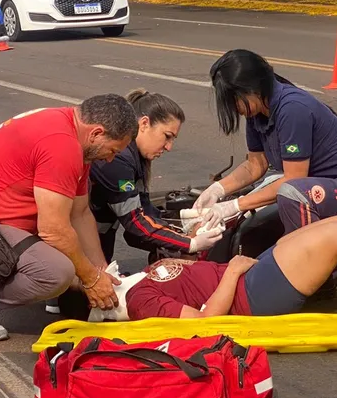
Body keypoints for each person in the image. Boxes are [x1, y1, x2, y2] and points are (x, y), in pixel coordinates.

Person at [0, 96, 138, 342]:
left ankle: (18, 279)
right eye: (113, 150)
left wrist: (103, 272)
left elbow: (80, 213)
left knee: (75, 267)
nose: (109, 159)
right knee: (55, 273)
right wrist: (91, 279)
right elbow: (54, 230)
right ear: (96, 132)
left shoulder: (73, 134)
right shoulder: (61, 145)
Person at [46, 89, 222, 314]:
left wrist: (184, 223)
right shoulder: (118, 159)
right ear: (145, 123)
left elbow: (144, 210)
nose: (169, 147)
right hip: (72, 236)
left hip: (91, 235)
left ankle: (65, 289)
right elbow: (137, 225)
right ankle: (61, 288)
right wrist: (190, 243)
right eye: (167, 136)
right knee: (101, 300)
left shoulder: (132, 157)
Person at [193, 49, 337, 235]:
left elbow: (293, 179)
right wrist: (217, 190)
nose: (234, 108)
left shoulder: (292, 108)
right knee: (275, 196)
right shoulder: (258, 111)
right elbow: (256, 164)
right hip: (325, 188)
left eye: (234, 100)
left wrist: (235, 205)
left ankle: (317, 266)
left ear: (253, 88)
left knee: (291, 194)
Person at [125, 215, 337, 321]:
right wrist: (231, 271)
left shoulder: (137, 282)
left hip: (251, 276)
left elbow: (191, 284)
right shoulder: (140, 300)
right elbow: (203, 323)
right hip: (252, 295)